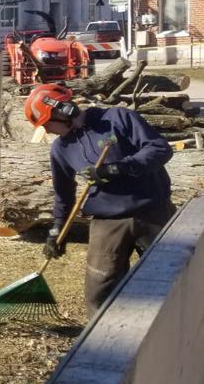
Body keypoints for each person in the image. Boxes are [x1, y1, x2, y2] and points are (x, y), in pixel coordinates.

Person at [26, 81, 175, 313]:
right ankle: (104, 335)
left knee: (168, 281)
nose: (48, 131)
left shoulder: (117, 118)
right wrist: (57, 230)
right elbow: (64, 194)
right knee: (99, 291)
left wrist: (118, 168)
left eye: (47, 124)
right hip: (107, 221)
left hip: (153, 211)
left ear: (63, 110)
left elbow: (160, 149)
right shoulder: (61, 149)